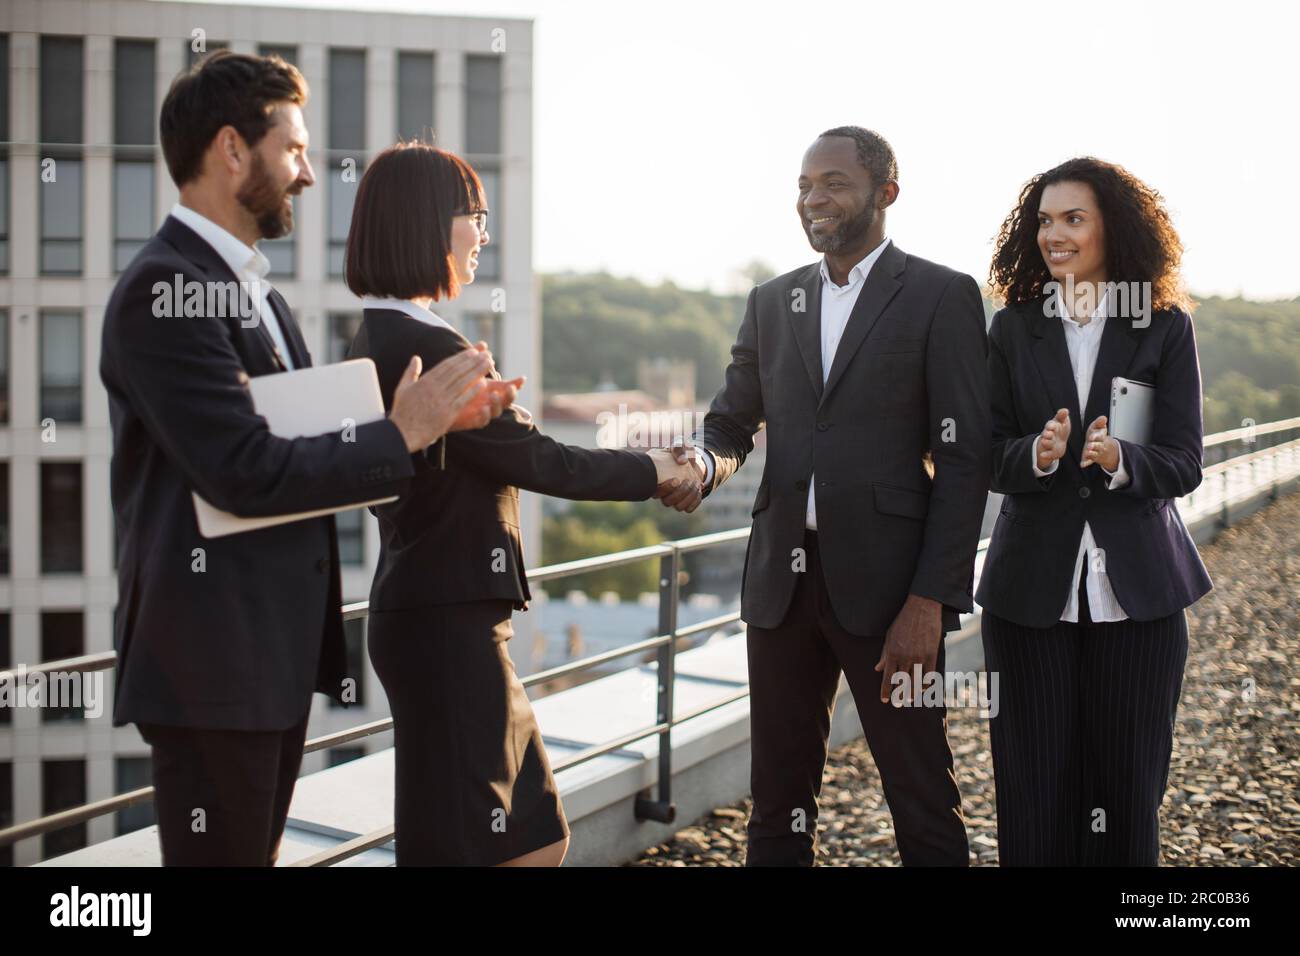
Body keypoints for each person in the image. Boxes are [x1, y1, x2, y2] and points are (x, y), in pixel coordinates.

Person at [100, 51, 515, 866]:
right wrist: (405, 434)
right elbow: (244, 471)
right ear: (231, 149)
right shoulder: (164, 290)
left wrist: (419, 427)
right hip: (213, 666)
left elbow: (302, 447)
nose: (307, 175)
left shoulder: (264, 296)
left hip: (266, 661)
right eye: (293, 149)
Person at [343, 141, 693, 866]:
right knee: (479, 846)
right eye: (476, 215)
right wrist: (656, 468)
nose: (484, 234)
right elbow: (541, 459)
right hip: (445, 623)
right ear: (427, 223)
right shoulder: (423, 346)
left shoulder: (388, 333)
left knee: (532, 835)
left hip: (449, 616)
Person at [659, 127, 991, 866]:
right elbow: (730, 420)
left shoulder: (942, 295)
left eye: (834, 182)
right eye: (805, 183)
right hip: (781, 586)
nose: (813, 198)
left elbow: (965, 461)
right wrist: (705, 464)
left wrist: (929, 603)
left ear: (886, 194)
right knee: (777, 800)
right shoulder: (773, 301)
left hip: (893, 594)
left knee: (922, 796)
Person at [979, 156, 1213, 865]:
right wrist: (1037, 456)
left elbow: (1184, 461)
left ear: (1114, 227)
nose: (1055, 235)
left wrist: (1121, 461)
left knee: (1127, 794)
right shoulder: (1013, 329)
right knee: (1032, 792)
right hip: (1028, 599)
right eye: (1044, 221)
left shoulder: (1164, 326)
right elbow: (984, 452)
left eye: (1073, 219)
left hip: (1140, 598)